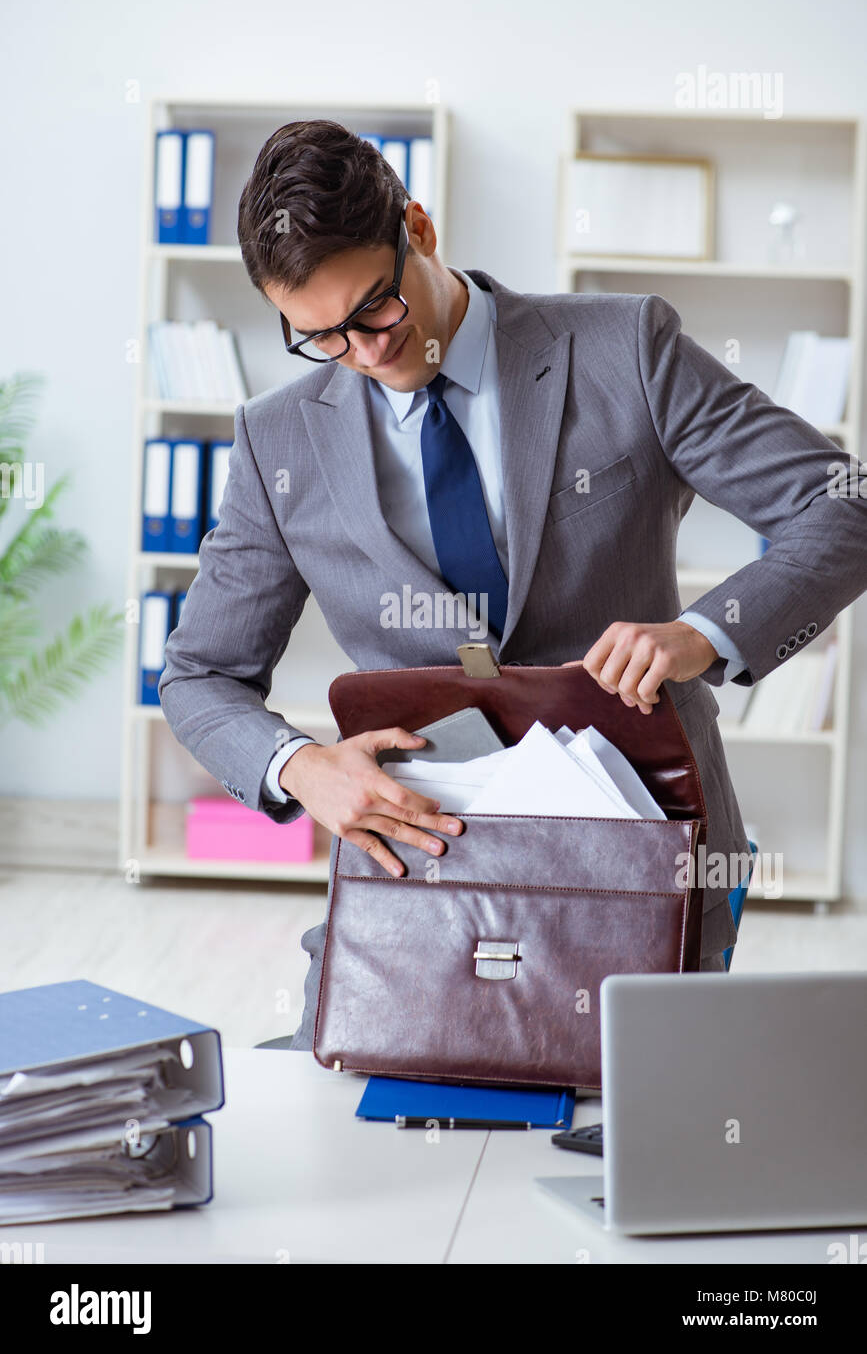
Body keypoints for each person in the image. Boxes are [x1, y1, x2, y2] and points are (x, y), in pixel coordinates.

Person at [159, 119, 867, 1049]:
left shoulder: (626, 348)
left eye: (374, 310)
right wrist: (301, 767)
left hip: (648, 845)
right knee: (364, 1129)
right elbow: (200, 673)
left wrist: (701, 632)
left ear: (419, 227)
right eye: (319, 336)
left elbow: (841, 499)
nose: (365, 353)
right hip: (419, 860)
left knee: (632, 1143)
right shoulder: (276, 439)